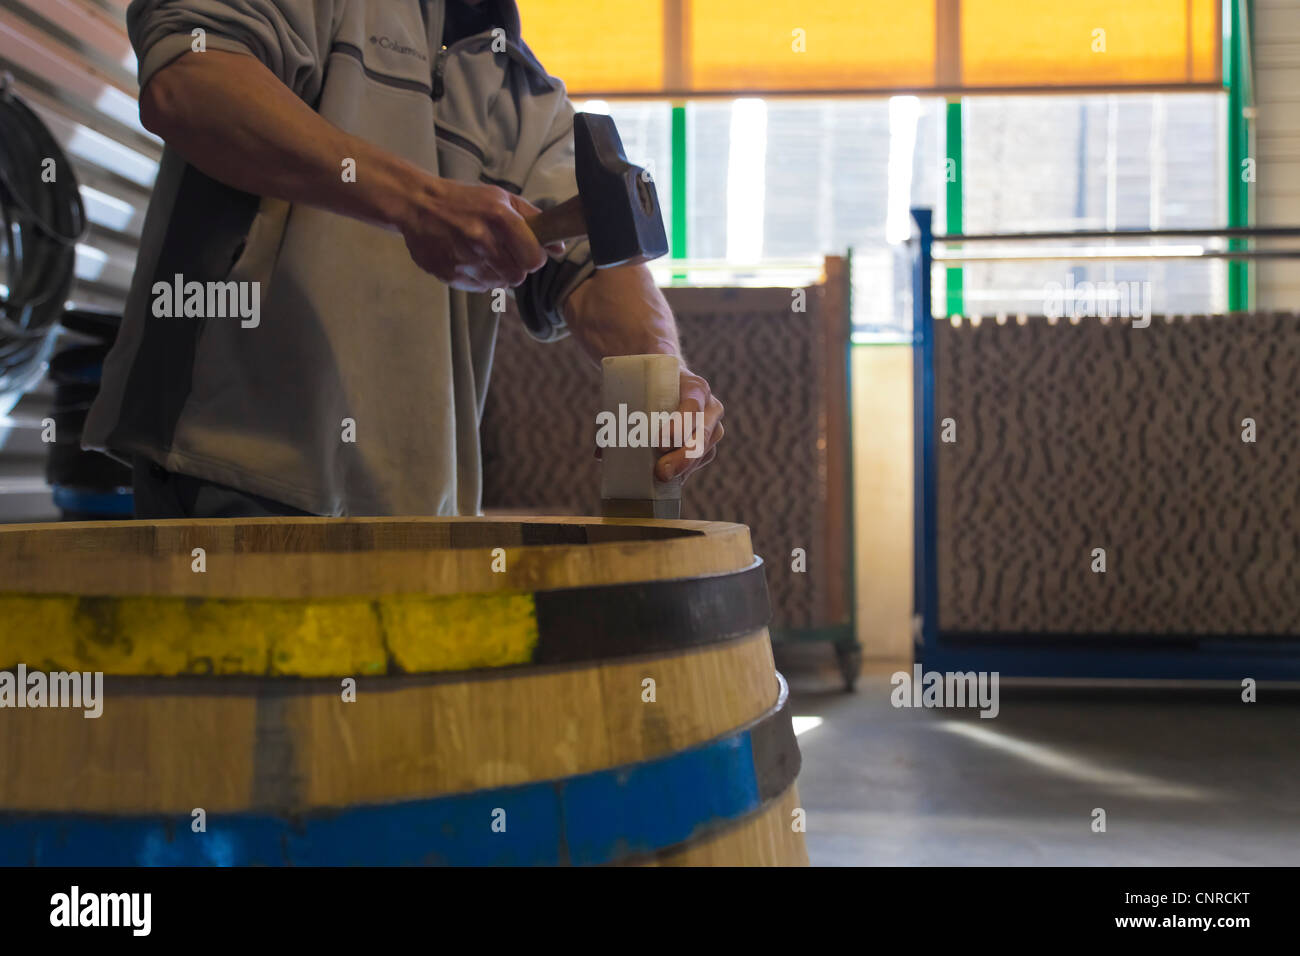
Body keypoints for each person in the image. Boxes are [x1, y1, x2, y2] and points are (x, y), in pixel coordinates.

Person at [85, 0, 724, 518]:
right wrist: (417, 203)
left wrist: (664, 379)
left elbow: (603, 263)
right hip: (232, 470)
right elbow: (190, 82)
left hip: (418, 513)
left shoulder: (519, 90)